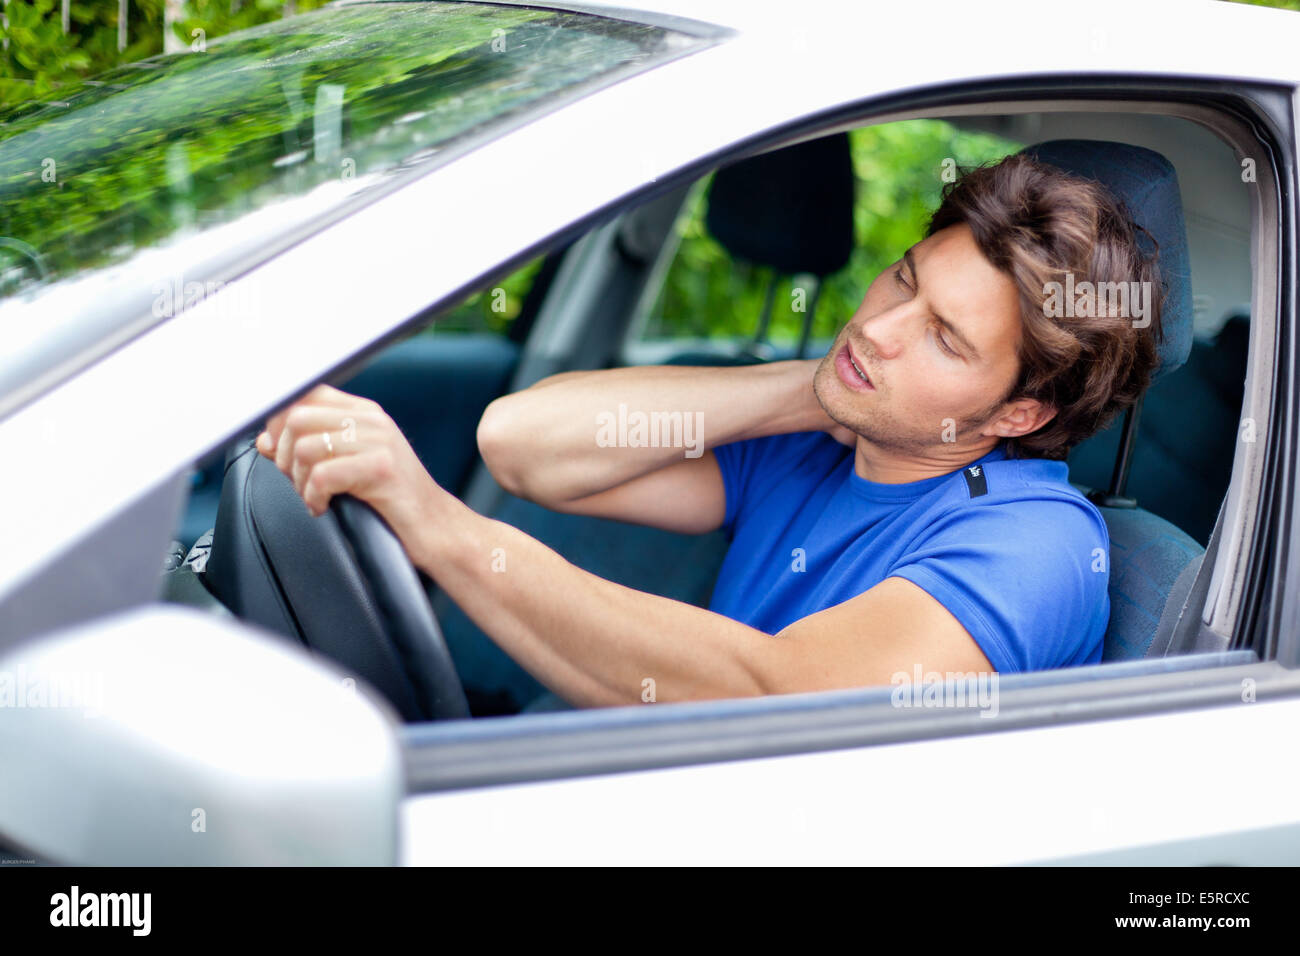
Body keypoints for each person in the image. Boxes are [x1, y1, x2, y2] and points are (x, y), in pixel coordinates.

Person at [256, 151, 1164, 708]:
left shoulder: (1036, 544)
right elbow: (521, 443)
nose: (878, 326)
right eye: (902, 280)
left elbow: (778, 693)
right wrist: (820, 389)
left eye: (944, 338)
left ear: (1018, 413)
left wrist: (438, 525)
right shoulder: (827, 443)